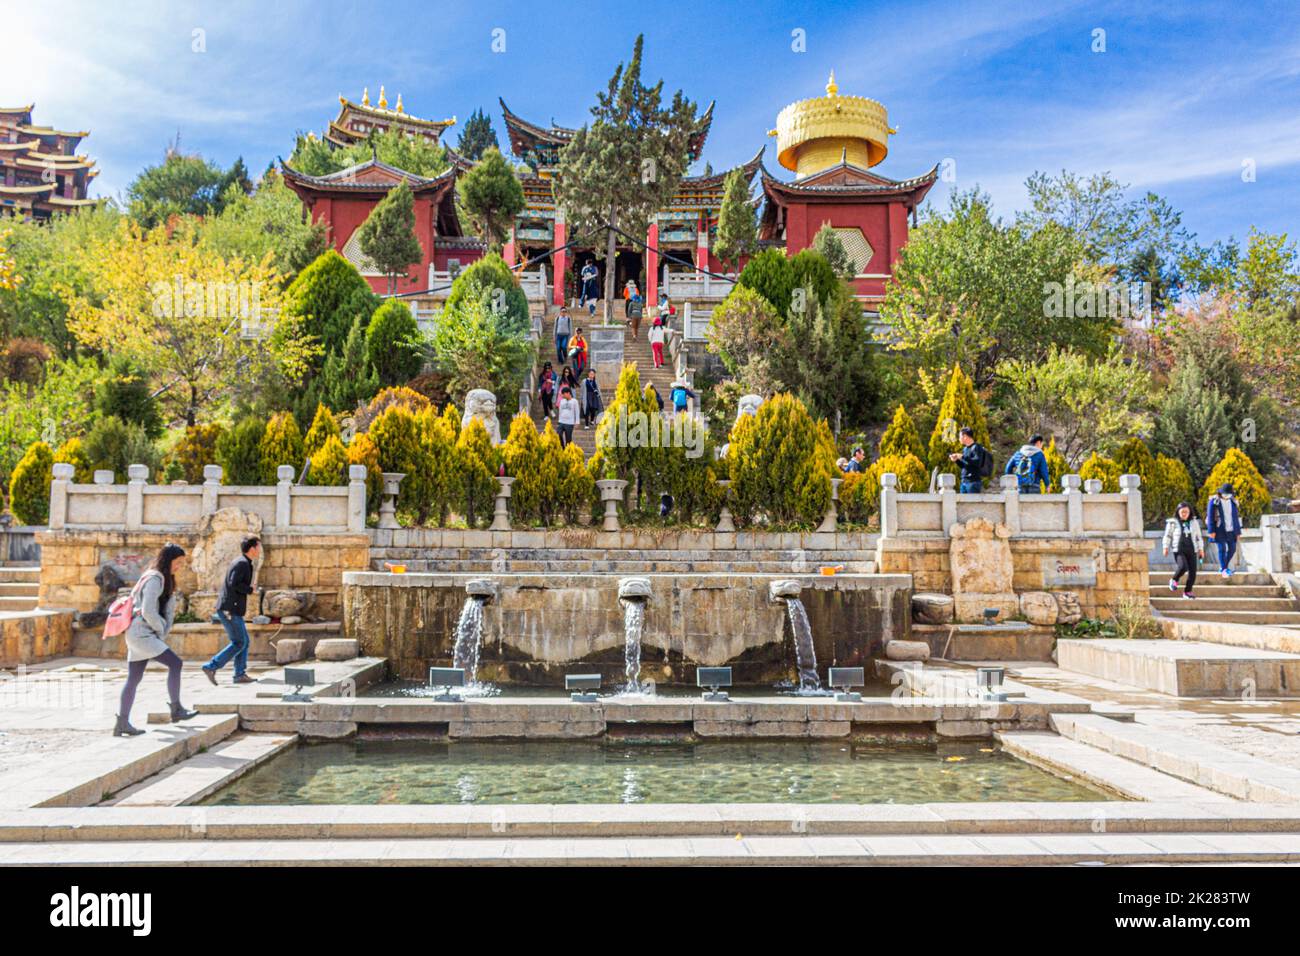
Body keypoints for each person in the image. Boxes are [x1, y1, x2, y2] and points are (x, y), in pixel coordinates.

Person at [115, 542, 198, 736]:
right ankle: (176, 709)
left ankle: (122, 723)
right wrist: (160, 629)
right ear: (168, 560)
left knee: (134, 678)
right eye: (177, 562)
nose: (179, 567)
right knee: (176, 664)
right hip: (142, 633)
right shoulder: (154, 579)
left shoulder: (155, 576)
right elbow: (148, 610)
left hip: (137, 633)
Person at [202, 536, 262, 685]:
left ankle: (239, 674)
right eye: (259, 546)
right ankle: (211, 666)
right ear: (252, 548)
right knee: (239, 642)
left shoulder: (244, 562)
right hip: (230, 609)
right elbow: (233, 583)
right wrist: (249, 589)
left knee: (244, 642)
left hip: (233, 609)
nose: (260, 550)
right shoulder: (242, 563)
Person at [1162, 501, 1205, 599]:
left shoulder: (1194, 522)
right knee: (1183, 567)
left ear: (1190, 512)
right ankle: (1174, 579)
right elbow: (1167, 536)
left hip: (1192, 549)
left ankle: (1187, 592)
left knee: (1193, 572)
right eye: (1182, 512)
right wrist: (1165, 547)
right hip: (1179, 549)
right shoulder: (1173, 523)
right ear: (1178, 512)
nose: (1184, 514)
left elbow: (1198, 536)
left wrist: (1201, 549)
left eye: (1186, 512)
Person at [1205, 483, 1242, 577]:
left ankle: (1223, 567)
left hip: (1231, 530)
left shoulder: (1233, 502)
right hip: (1219, 529)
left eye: (1229, 494)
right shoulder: (1214, 501)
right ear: (1220, 492)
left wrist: (1238, 532)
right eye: (1225, 493)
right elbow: (1210, 517)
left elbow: (1236, 518)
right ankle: (1224, 570)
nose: (1227, 495)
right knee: (1222, 549)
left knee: (1233, 549)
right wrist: (1211, 531)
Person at [949, 427, 993, 493]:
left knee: (972, 503)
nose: (959, 439)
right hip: (964, 482)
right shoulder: (965, 449)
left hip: (973, 482)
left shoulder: (977, 447)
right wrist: (956, 460)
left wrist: (963, 457)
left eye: (960, 436)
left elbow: (977, 462)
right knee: (962, 503)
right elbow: (965, 466)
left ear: (965, 436)